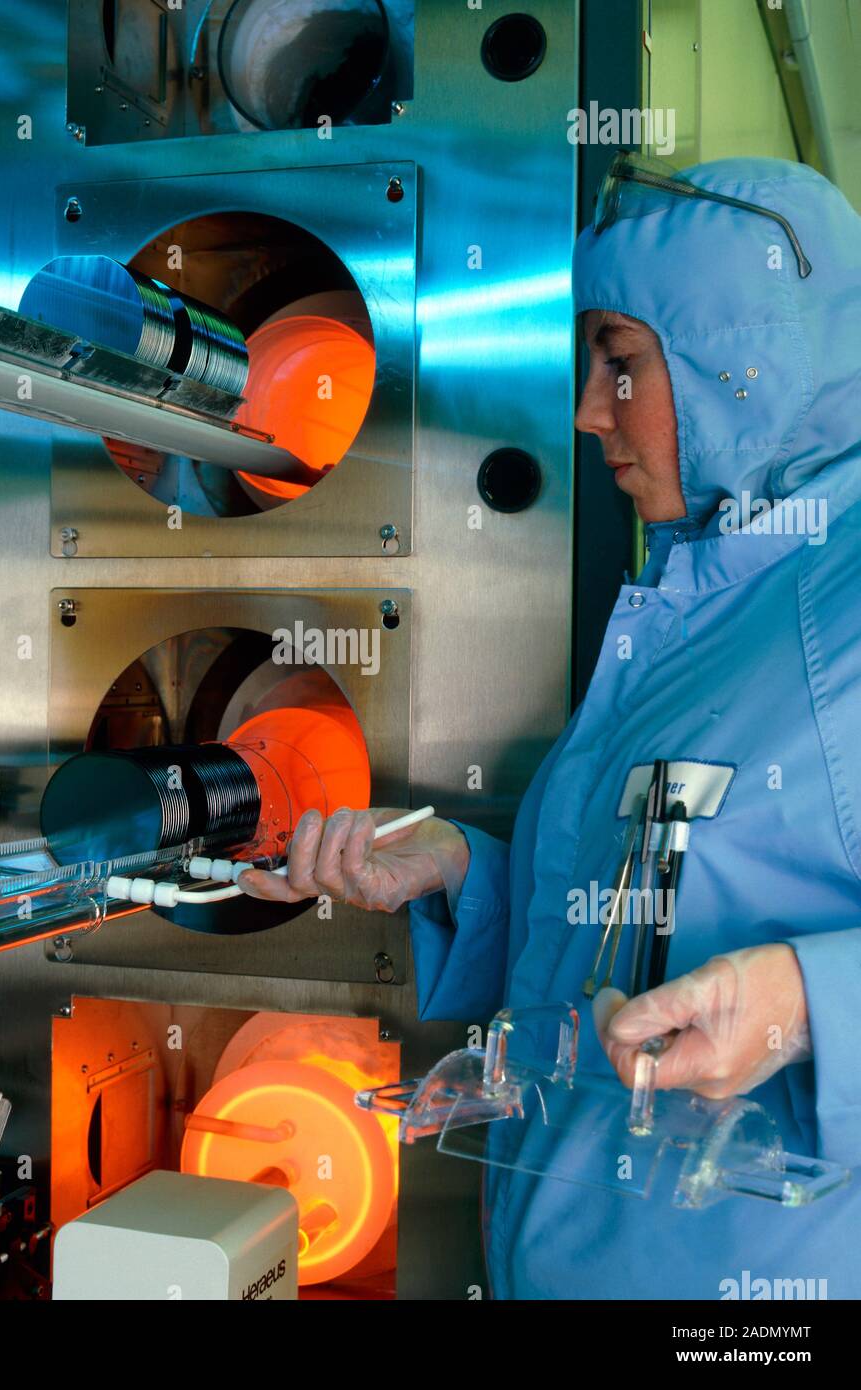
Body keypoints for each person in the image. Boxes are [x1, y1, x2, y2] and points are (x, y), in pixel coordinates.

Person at [239, 154, 861, 1299]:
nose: (586, 412)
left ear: (747, 365)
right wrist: (462, 873)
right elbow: (650, 918)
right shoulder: (707, 594)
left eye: (622, 363)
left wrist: (808, 1007)